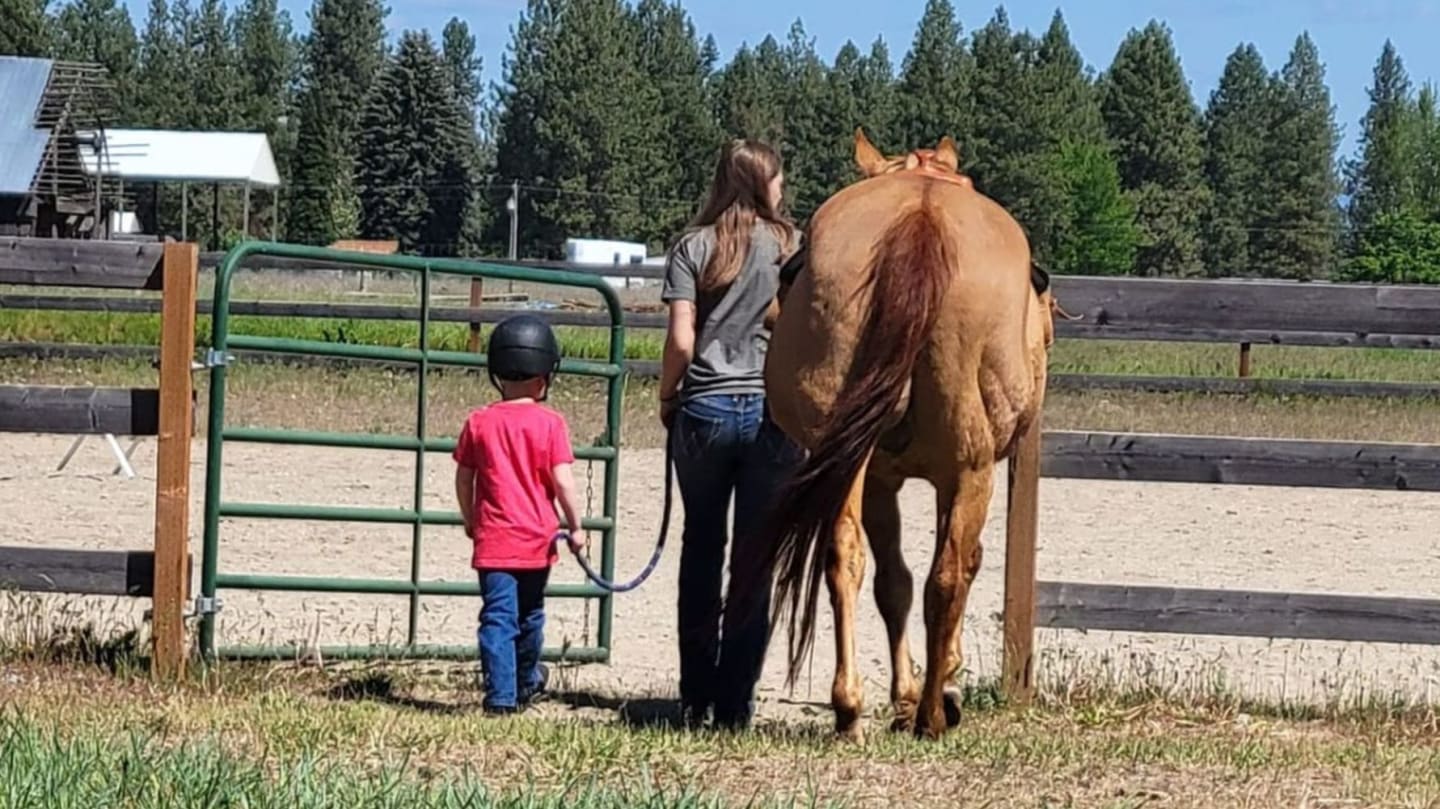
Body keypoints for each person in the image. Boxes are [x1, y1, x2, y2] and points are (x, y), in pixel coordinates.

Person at [659, 138, 805, 730]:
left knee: (701, 550)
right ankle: (735, 704)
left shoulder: (694, 247)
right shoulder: (791, 249)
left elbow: (682, 342)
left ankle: (694, 695)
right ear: (761, 184)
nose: (783, 189)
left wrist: (669, 396)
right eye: (778, 179)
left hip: (705, 411)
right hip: (772, 416)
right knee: (753, 562)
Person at [453, 314, 585, 715]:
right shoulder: (551, 424)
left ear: (496, 372)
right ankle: (525, 684)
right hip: (537, 540)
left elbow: (464, 478)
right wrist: (576, 526)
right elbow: (563, 483)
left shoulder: (479, 422)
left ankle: (502, 695)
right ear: (544, 376)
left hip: (494, 541)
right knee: (530, 615)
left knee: (498, 617)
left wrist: (470, 519)